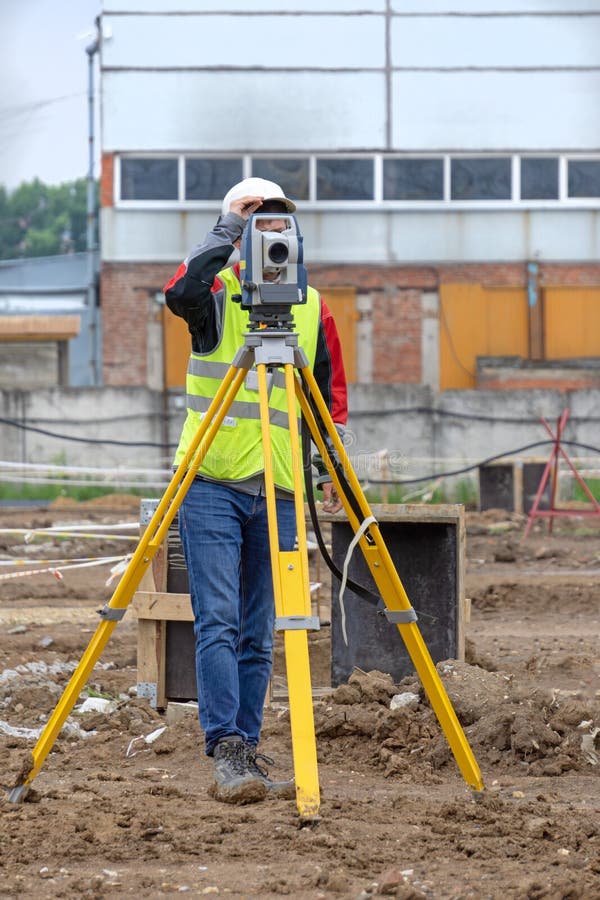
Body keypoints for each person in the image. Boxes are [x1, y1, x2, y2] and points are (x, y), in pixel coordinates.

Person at [164, 177, 348, 803]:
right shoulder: (215, 293)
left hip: (281, 487)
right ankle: (226, 749)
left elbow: (327, 397)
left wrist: (328, 468)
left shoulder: (312, 303)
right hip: (212, 481)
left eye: (278, 219)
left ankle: (248, 738)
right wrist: (224, 231)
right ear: (238, 232)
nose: (270, 229)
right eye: (256, 219)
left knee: (260, 625)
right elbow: (178, 291)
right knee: (216, 621)